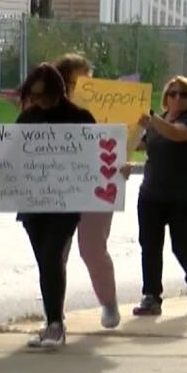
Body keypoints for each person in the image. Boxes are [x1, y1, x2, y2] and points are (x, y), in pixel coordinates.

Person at [0, 64, 95, 348]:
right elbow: (12, 156)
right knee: (46, 262)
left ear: (58, 91)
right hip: (32, 202)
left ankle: (55, 324)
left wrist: (114, 171)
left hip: (64, 201)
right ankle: (53, 322)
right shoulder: (28, 117)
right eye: (34, 96)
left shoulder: (79, 118)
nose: (39, 101)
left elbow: (95, 156)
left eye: (44, 95)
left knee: (51, 256)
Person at [132, 76, 187, 316]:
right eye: (172, 93)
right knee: (150, 246)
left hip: (184, 196)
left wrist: (150, 119)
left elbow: (175, 134)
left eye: (183, 94)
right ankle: (151, 296)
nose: (176, 98)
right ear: (165, 97)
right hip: (151, 193)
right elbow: (135, 144)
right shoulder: (157, 123)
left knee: (182, 245)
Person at [56, 53, 120, 329]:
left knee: (93, 248)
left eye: (88, 80)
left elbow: (122, 139)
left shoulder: (104, 106)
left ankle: (108, 303)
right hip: (57, 184)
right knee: (56, 251)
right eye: (77, 81)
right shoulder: (47, 110)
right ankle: (54, 312)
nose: (84, 86)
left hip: (97, 182)